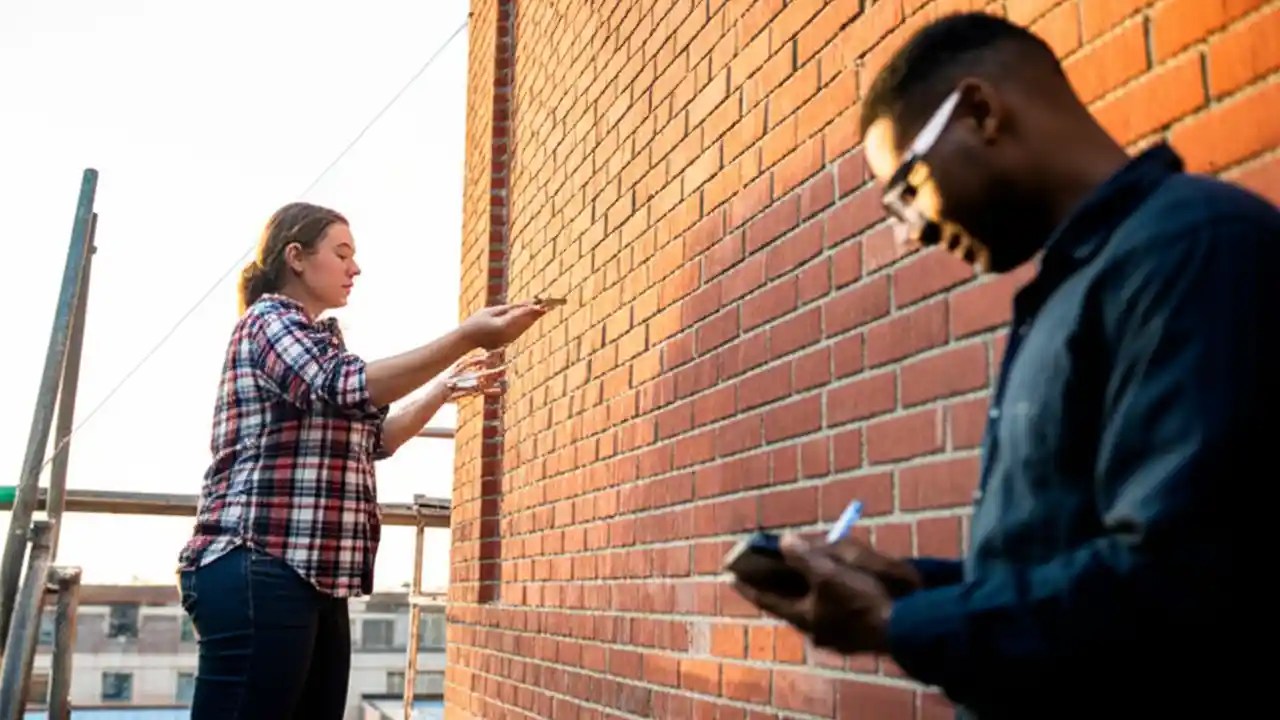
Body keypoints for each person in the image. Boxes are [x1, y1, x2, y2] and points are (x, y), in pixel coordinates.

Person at [730, 12, 1276, 719]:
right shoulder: (1075, 288)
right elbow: (1061, 565)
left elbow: (1175, 584)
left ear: (981, 112)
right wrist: (913, 587)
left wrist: (894, 625)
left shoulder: (1195, 250)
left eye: (907, 189)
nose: (915, 232)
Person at [176, 201, 546, 719]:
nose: (355, 268)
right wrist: (465, 336)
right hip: (259, 562)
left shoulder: (318, 340)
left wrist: (442, 389)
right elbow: (341, 384)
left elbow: (376, 439)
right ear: (296, 258)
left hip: (311, 574)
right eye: (342, 253)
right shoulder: (269, 322)